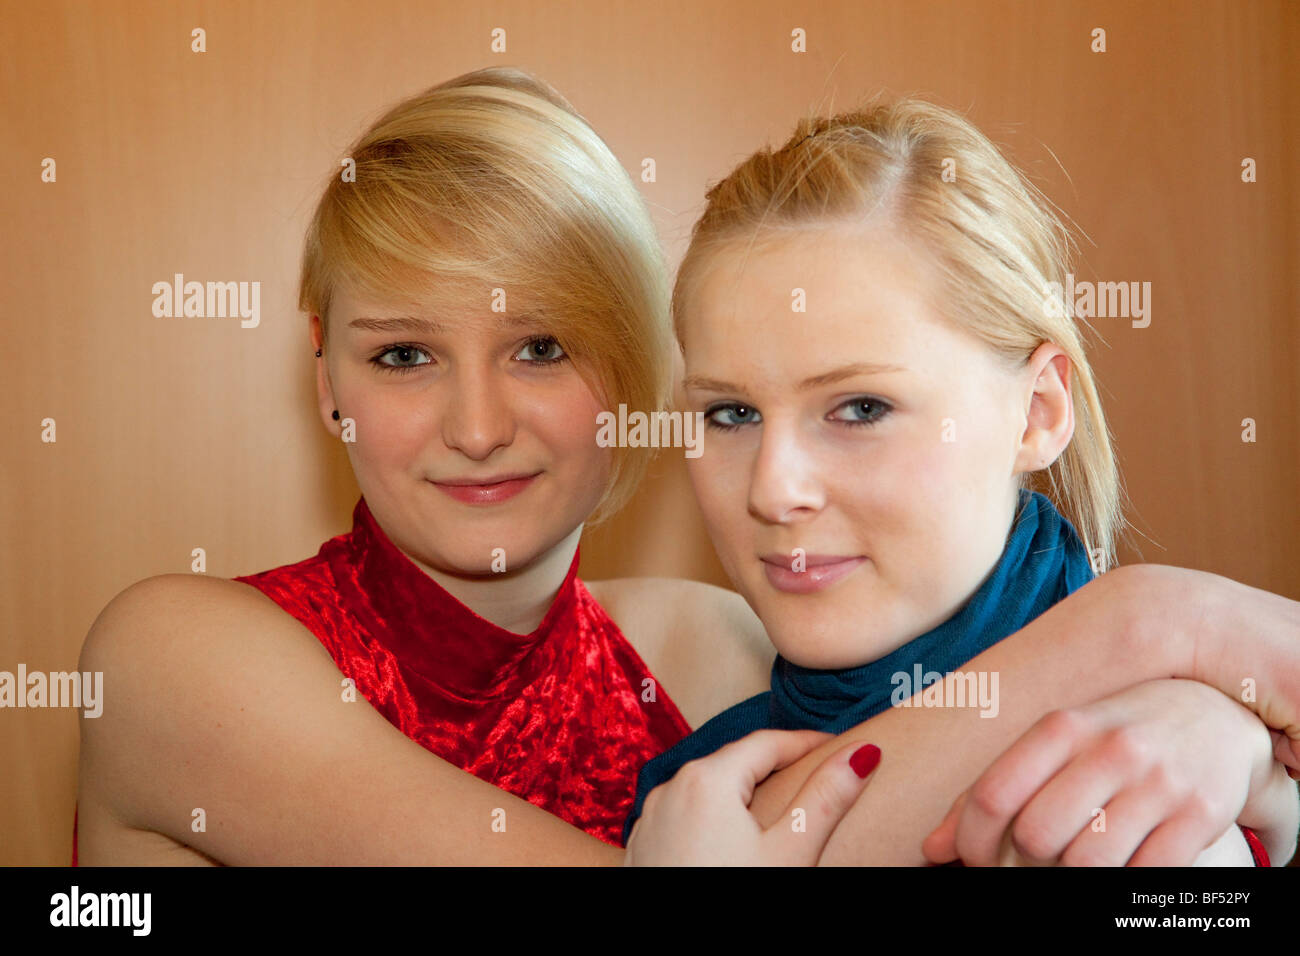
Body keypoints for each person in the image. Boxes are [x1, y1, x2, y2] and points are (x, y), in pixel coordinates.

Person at [74, 69, 1300, 866]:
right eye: (401, 353)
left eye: (541, 347)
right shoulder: (176, 655)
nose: (479, 422)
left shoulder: (721, 642)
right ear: (324, 375)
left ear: (635, 379)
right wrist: (1158, 627)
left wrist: (1230, 753)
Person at [623, 96, 1299, 865]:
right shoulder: (702, 790)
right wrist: (1149, 628)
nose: (774, 492)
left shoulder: (1142, 806)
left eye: (861, 407)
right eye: (733, 414)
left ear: (1037, 413)